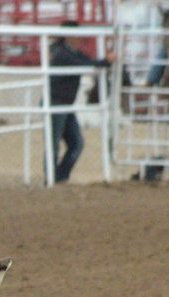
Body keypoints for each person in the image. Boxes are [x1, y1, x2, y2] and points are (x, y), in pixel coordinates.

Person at [48, 20, 114, 184]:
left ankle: (58, 177)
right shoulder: (62, 54)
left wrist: (104, 61)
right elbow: (86, 64)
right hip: (57, 103)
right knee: (56, 143)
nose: (79, 38)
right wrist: (106, 61)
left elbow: (87, 61)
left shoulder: (67, 52)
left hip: (64, 104)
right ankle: (51, 177)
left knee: (75, 143)